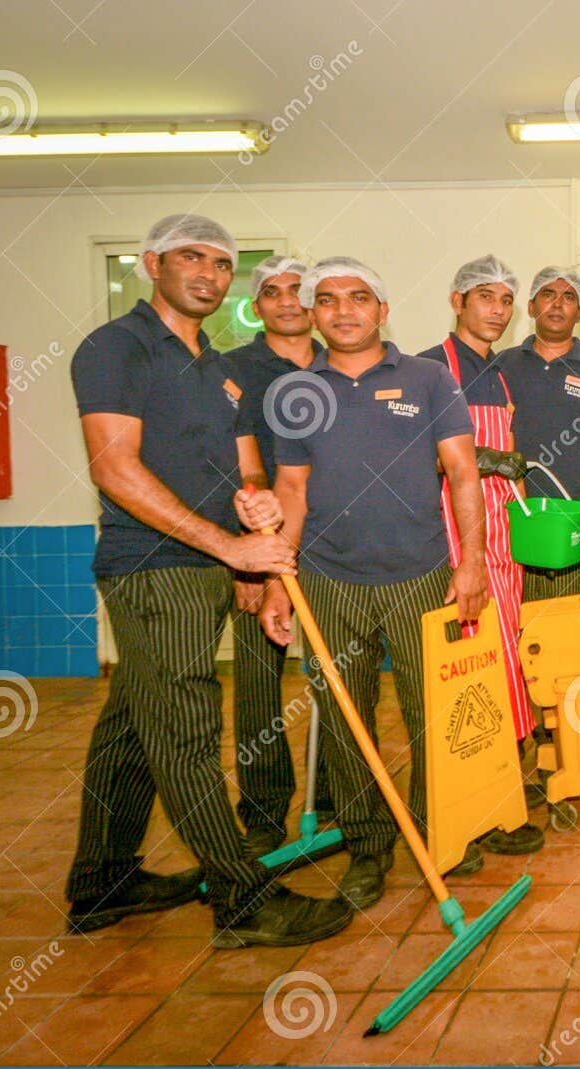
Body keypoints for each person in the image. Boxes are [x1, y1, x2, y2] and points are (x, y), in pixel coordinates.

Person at [66, 214, 351, 948]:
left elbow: (236, 467)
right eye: (192, 257)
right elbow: (115, 467)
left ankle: (103, 879)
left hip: (201, 566)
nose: (208, 274)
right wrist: (229, 544)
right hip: (154, 569)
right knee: (187, 733)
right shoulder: (117, 347)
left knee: (133, 722)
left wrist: (252, 503)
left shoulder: (214, 368)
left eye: (222, 264)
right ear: (152, 262)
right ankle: (242, 898)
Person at [261, 257, 532, 912]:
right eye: (327, 300)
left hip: (422, 575)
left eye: (359, 298)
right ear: (315, 312)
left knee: (438, 714)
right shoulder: (297, 390)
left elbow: (464, 474)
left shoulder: (429, 379)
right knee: (347, 716)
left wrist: (470, 562)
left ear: (383, 310)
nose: (344, 309)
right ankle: (369, 844)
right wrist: (276, 582)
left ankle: (442, 826)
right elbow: (291, 489)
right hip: (328, 580)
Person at [220, 255, 332, 857]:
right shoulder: (234, 370)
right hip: (264, 551)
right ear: (255, 305)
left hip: (336, 547)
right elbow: (227, 468)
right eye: (273, 293)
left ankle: (338, 796)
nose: (288, 302)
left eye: (298, 291)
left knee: (337, 675)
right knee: (261, 684)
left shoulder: (341, 361)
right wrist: (244, 563)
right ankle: (263, 811)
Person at [416, 255, 537, 758]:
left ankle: (508, 746)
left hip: (504, 525)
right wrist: (492, 461)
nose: (499, 310)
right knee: (472, 638)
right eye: (485, 297)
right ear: (457, 301)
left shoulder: (497, 370)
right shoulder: (429, 368)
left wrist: (526, 518)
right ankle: (480, 751)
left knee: (507, 631)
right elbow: (423, 457)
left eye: (506, 300)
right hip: (457, 524)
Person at [491, 266, 580, 603]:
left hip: (572, 518)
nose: (558, 304)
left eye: (569, 297)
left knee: (568, 634)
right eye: (548, 294)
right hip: (510, 517)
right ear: (531, 307)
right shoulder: (502, 364)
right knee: (513, 628)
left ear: (579, 313)